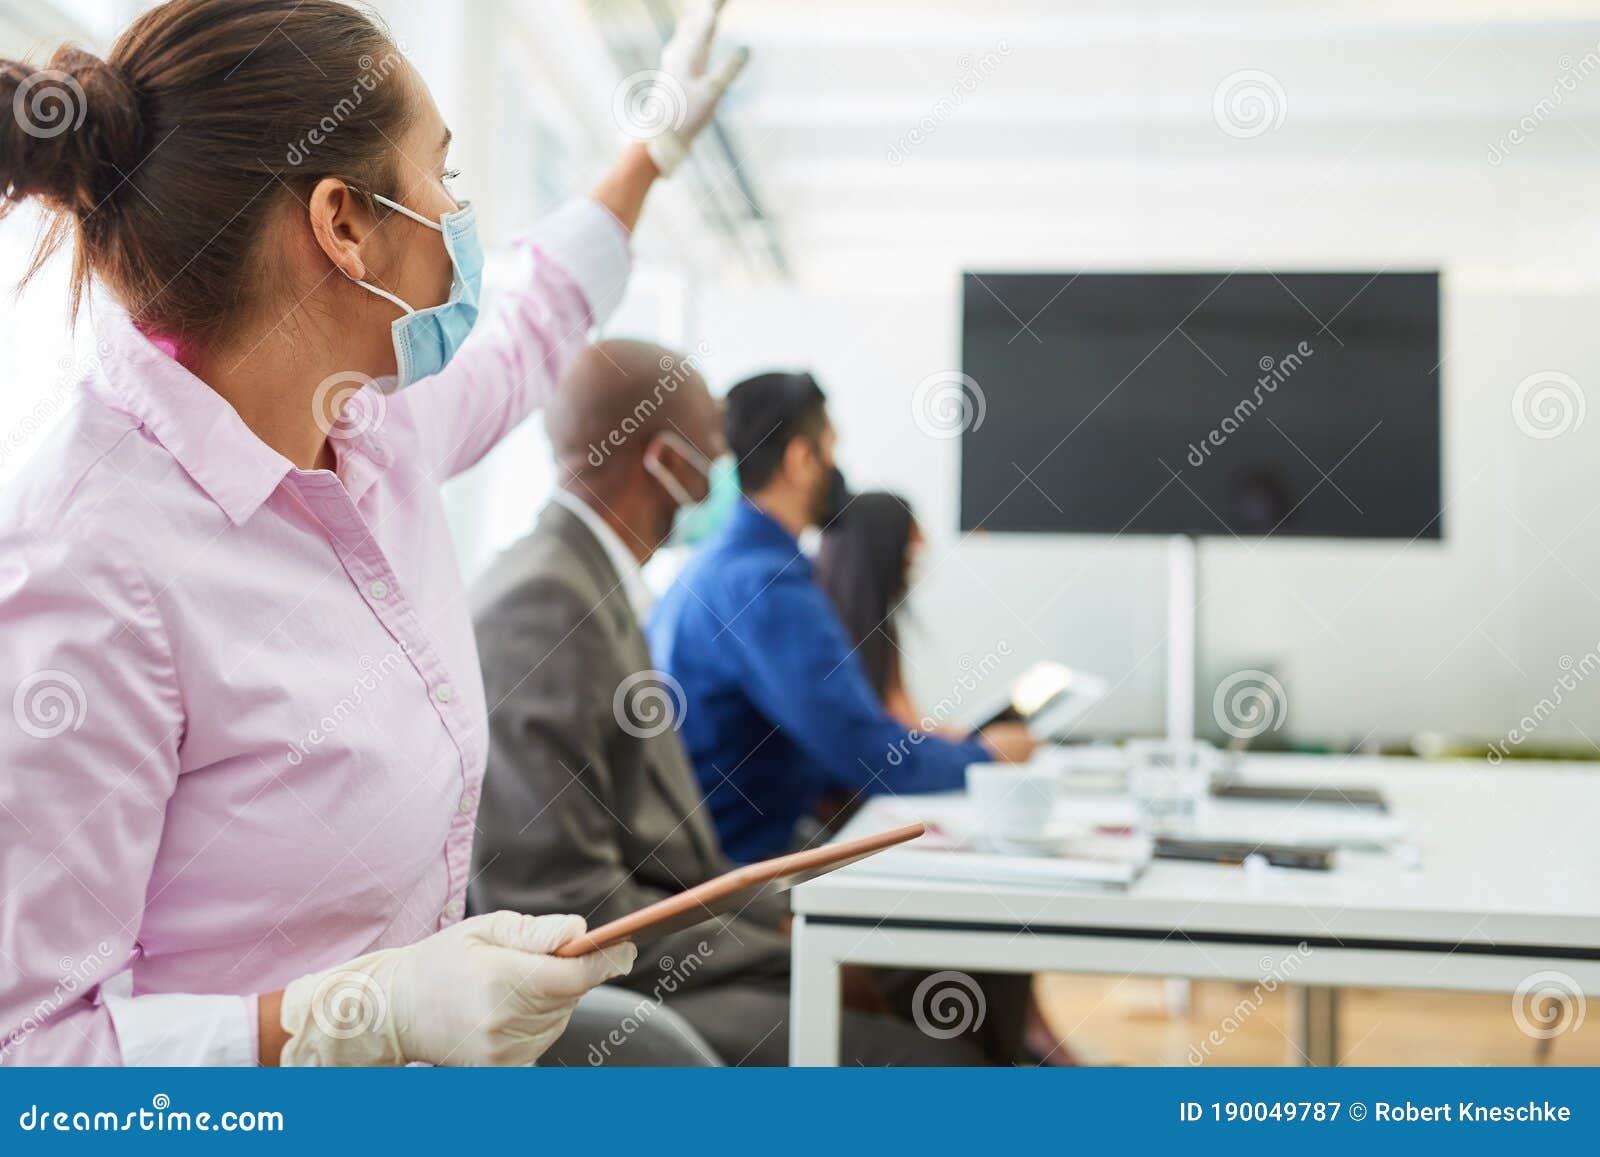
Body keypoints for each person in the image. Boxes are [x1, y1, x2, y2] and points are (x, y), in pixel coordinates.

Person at [0, 0, 746, 1066]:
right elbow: (28, 1069)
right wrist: (346, 1019)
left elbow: (535, 325)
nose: (460, 215)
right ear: (344, 223)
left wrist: (651, 150)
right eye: (444, 175)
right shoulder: (81, 565)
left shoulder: (368, 422)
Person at [469, 341, 1010, 1065]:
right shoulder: (546, 600)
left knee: (948, 986)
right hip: (628, 996)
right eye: (715, 453)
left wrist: (782, 926)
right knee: (944, 1055)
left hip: (690, 926)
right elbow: (557, 905)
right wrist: (786, 947)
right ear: (666, 462)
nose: (727, 474)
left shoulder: (597, 581)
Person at [646, 372, 1037, 864]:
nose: (839, 471)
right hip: (739, 869)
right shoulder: (766, 585)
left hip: (717, 847)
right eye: (831, 450)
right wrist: (985, 758)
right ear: (801, 459)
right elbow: (865, 751)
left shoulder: (715, 563)